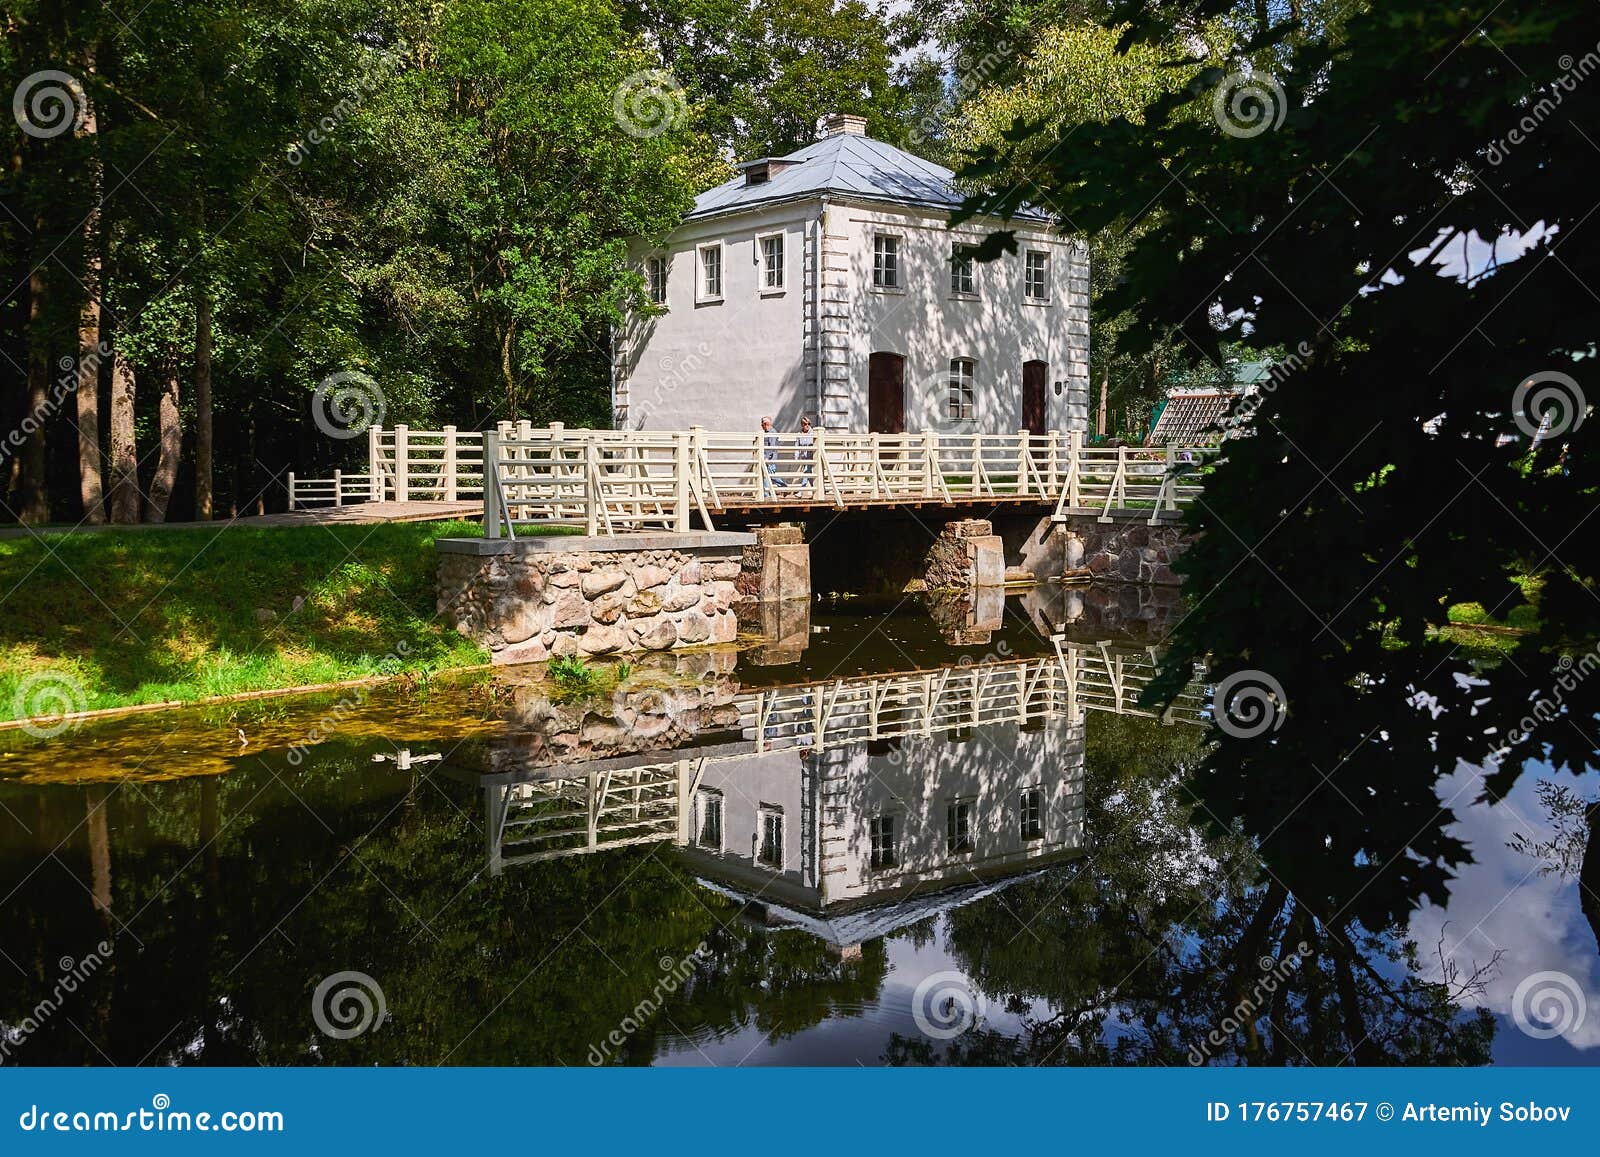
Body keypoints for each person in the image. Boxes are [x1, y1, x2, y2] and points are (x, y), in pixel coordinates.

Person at [760, 416, 787, 494]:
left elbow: (771, 447)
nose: (763, 426)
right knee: (767, 475)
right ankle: (767, 493)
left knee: (770, 476)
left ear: (767, 424)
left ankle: (783, 487)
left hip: (770, 458)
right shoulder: (765, 433)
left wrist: (767, 457)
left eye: (764, 424)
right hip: (765, 457)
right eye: (762, 425)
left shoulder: (772, 432)